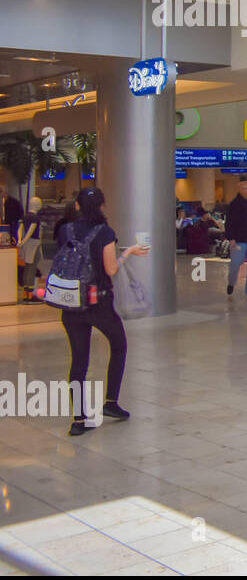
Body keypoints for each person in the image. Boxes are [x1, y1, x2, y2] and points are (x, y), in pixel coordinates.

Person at [56, 187, 148, 436]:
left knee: (79, 361)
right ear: (101, 206)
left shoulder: (66, 230)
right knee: (118, 347)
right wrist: (128, 252)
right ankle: (111, 403)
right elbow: (111, 270)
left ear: (77, 206)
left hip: (71, 303)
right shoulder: (105, 232)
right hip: (99, 304)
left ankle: (78, 420)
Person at [17, 197, 43, 302]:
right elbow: (31, 232)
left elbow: (20, 229)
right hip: (33, 244)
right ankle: (30, 294)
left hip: (26, 244)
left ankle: (25, 293)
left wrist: (20, 241)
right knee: (32, 267)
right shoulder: (35, 218)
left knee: (27, 267)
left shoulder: (24, 217)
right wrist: (23, 241)